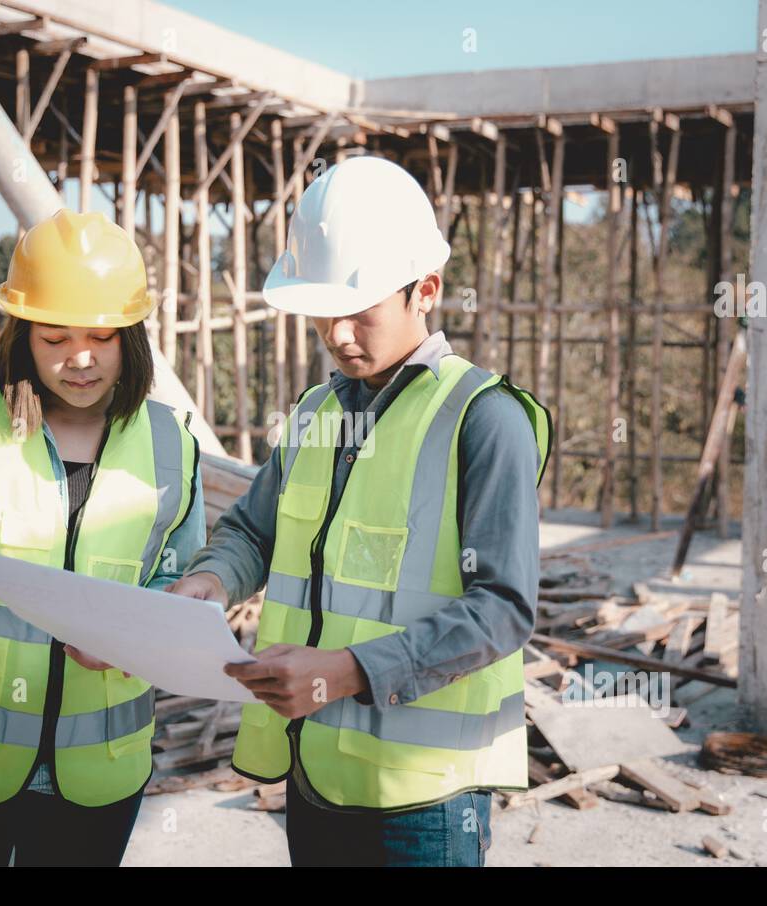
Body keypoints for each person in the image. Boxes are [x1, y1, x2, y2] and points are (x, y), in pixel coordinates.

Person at [168, 155, 551, 867]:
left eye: (360, 312)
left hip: (425, 802)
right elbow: (255, 530)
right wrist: (212, 581)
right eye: (323, 313)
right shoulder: (315, 413)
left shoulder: (485, 419)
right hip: (315, 775)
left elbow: (502, 607)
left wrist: (344, 671)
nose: (339, 335)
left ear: (425, 291)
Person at [0, 209, 204, 866]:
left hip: (94, 777)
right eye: (53, 338)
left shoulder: (172, 442)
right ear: (22, 336)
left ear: (131, 339)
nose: (78, 359)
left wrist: (153, 626)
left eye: (100, 337)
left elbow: (177, 575)